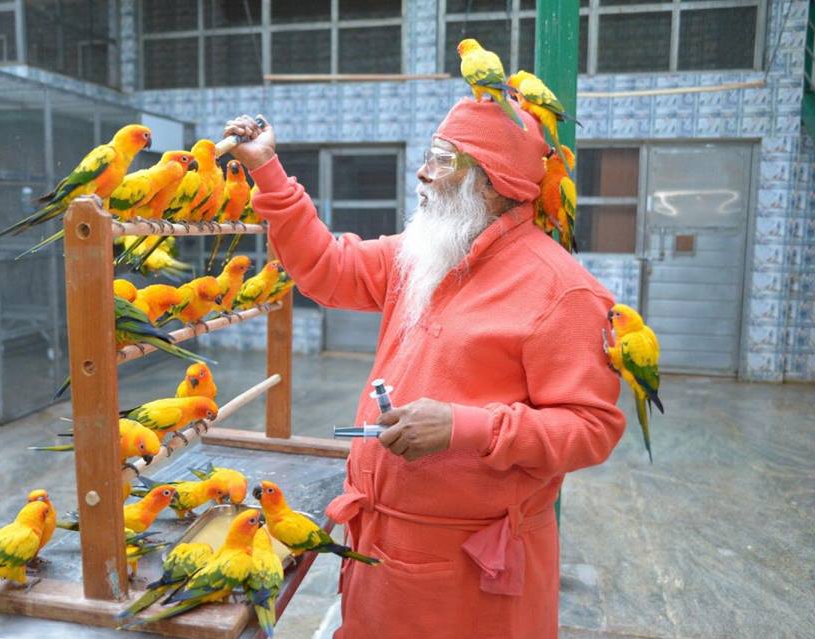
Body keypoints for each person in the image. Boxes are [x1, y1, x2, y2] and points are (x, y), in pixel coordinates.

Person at [224, 97, 626, 639]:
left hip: (469, 567)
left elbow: (591, 430)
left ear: (489, 180)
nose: (422, 170)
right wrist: (266, 169)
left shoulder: (561, 292)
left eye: (442, 158)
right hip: (382, 545)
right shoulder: (426, 254)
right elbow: (325, 268)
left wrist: (464, 427)